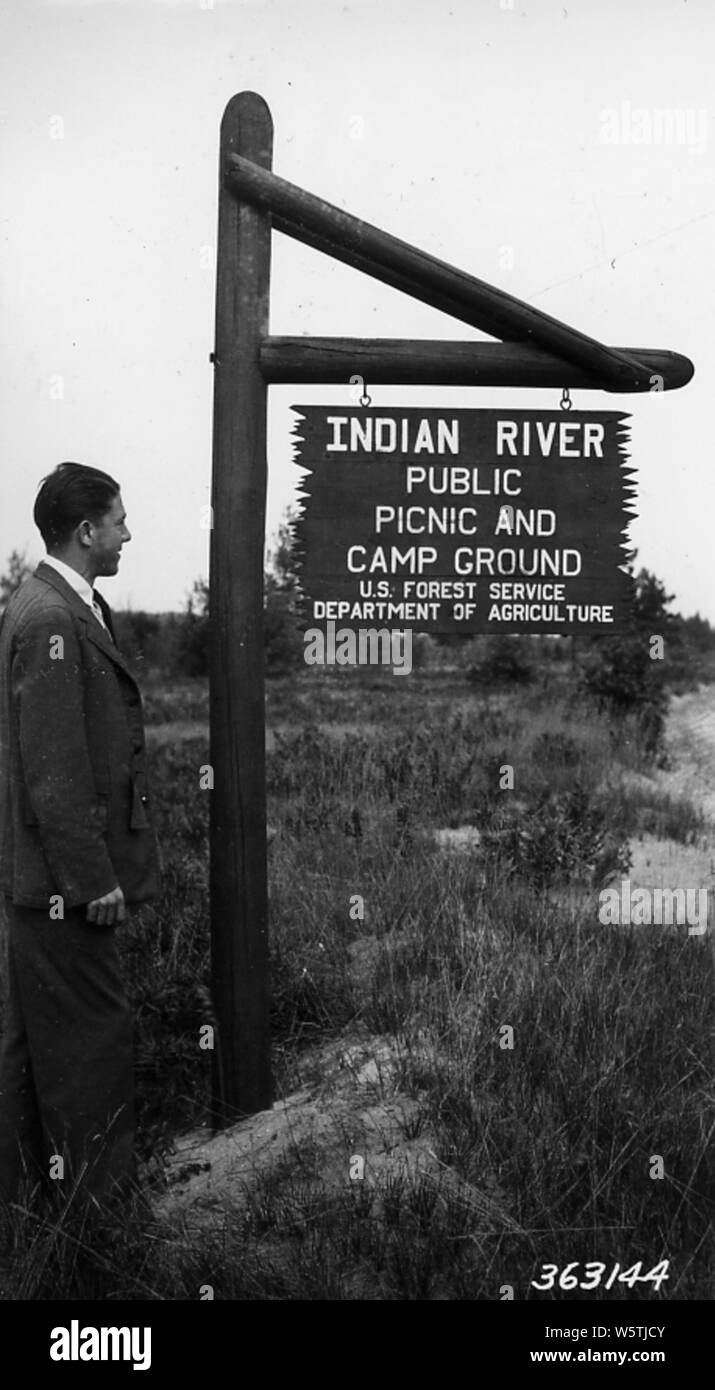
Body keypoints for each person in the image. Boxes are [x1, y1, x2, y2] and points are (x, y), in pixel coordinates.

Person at [0, 462, 160, 1216]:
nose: (128, 531)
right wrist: (91, 880)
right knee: (90, 1043)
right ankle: (101, 1218)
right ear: (86, 530)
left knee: (38, 1049)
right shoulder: (53, 618)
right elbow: (53, 773)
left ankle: (38, 1215)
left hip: (46, 883)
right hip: (64, 890)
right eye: (118, 519)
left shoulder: (61, 607)